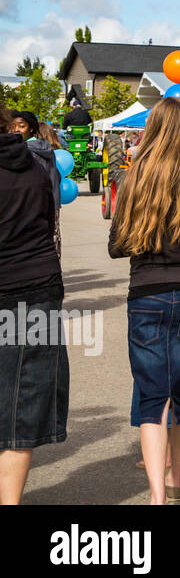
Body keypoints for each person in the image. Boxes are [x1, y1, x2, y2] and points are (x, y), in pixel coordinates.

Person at [109, 98, 180, 504]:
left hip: (148, 294)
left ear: (154, 129)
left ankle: (157, 496)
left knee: (152, 394)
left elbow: (116, 246)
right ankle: (178, 479)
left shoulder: (135, 178)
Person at [0, 106, 69, 504]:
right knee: (21, 402)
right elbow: (47, 219)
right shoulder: (35, 164)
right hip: (37, 286)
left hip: (25, 283)